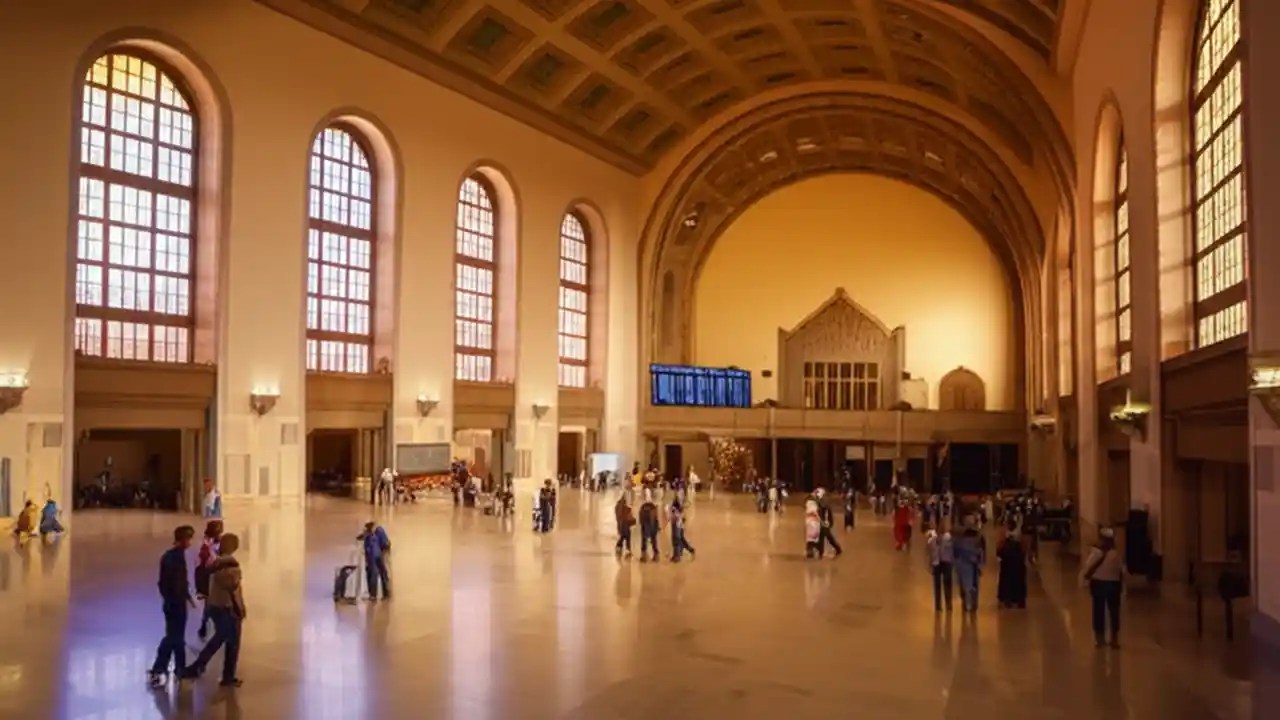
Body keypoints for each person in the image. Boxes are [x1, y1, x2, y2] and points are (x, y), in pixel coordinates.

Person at [182, 533, 245, 687]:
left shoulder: (214, 561)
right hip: (228, 608)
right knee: (230, 643)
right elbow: (232, 587)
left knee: (221, 639)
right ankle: (206, 669)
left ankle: (205, 668)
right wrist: (240, 608)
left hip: (215, 605)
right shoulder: (230, 565)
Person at [148, 525, 196, 687]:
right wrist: (179, 597)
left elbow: (167, 583)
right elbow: (174, 583)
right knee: (174, 637)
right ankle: (166, 668)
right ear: (183, 539)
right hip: (176, 604)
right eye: (189, 539)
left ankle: (175, 667)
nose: (190, 543)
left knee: (175, 636)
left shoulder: (172, 556)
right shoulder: (174, 558)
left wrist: (186, 597)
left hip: (173, 602)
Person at [1081, 527, 1126, 647]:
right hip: (1113, 584)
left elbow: (1087, 568)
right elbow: (1122, 570)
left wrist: (1084, 581)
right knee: (1114, 612)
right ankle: (1114, 638)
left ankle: (1099, 638)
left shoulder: (1096, 553)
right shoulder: (1116, 554)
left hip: (1098, 584)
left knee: (1098, 611)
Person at [194, 520, 224, 640]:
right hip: (209, 575)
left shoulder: (210, 542)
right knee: (211, 603)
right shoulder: (207, 544)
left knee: (210, 603)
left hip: (210, 575)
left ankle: (205, 626)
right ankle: (207, 626)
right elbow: (206, 561)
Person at [953, 519, 986, 613]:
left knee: (970, 586)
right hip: (965, 564)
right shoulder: (960, 538)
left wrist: (981, 564)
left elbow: (982, 552)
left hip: (971, 564)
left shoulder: (978, 537)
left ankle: (971, 604)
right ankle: (969, 604)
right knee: (969, 586)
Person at [997, 522, 1028, 609]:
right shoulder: (1021, 531)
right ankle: (1019, 599)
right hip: (1017, 559)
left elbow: (999, 546)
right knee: (1019, 579)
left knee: (1007, 579)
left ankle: (1007, 598)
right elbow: (1024, 546)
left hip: (1007, 559)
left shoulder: (1003, 532)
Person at [360, 521, 391, 600]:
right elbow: (385, 544)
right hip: (378, 554)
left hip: (372, 555)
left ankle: (373, 595)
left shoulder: (369, 534)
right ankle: (386, 593)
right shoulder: (378, 531)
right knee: (383, 574)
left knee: (373, 574)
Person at [926, 525, 955, 612]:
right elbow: (929, 553)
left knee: (947, 584)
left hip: (946, 562)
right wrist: (929, 565)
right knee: (938, 585)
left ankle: (948, 604)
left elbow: (953, 551)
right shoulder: (932, 540)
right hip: (937, 563)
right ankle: (939, 606)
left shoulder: (949, 539)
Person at [813, 488, 842, 557]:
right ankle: (822, 551)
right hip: (823, 523)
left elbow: (826, 514)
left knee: (826, 537)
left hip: (824, 523)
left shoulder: (822, 503)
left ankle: (823, 551)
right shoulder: (820, 502)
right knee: (824, 537)